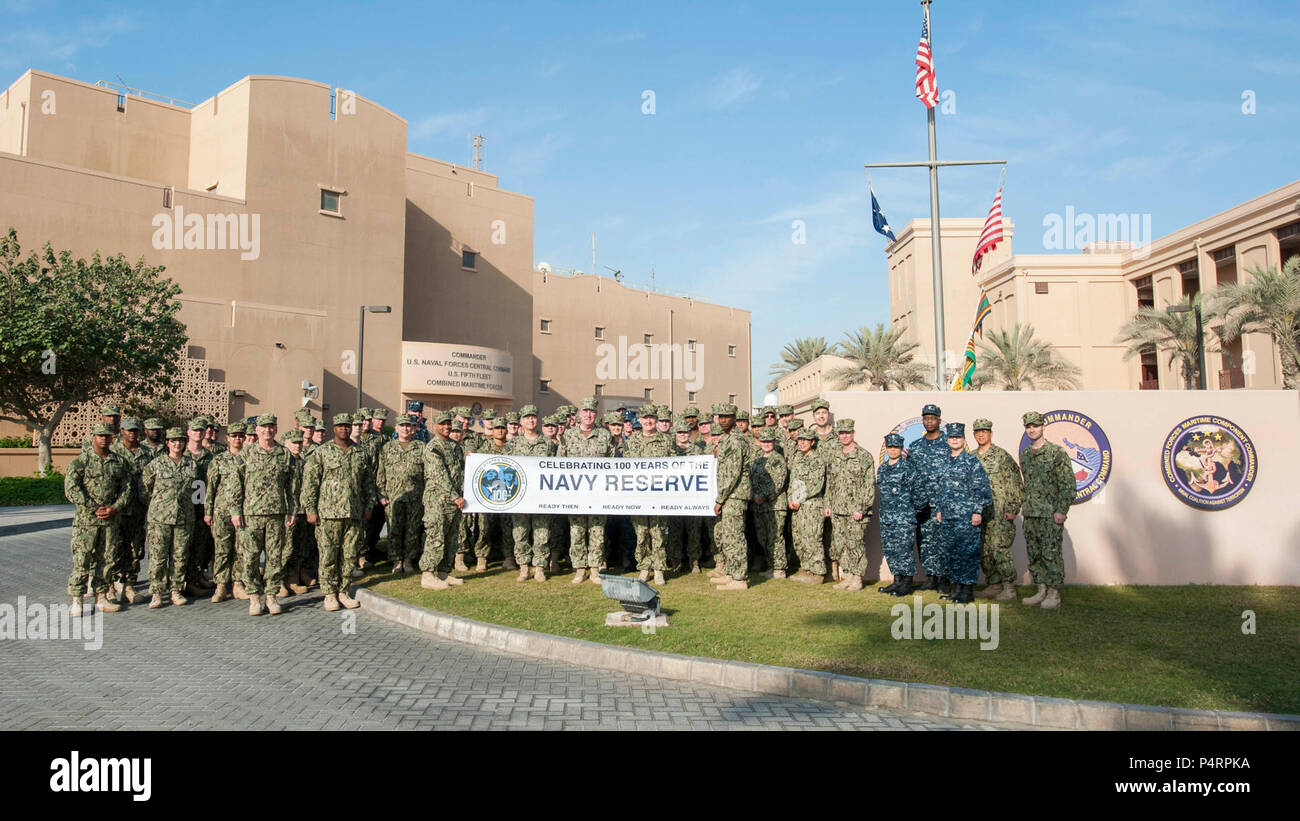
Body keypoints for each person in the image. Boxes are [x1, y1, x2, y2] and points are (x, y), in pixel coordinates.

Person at [301, 413, 372, 611]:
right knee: (328, 555)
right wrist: (310, 509)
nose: (344, 429)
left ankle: (343, 591)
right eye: (340, 426)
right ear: (334, 428)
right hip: (328, 514)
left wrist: (368, 505)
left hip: (353, 512)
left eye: (347, 426)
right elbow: (310, 483)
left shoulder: (361, 452)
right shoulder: (322, 452)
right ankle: (330, 594)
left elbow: (368, 483)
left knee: (349, 555)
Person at [64, 423, 131, 615]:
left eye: (107, 435)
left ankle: (102, 597)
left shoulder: (118, 461)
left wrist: (115, 507)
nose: (104, 438)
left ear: (113, 438)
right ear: (93, 437)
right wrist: (93, 507)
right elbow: (71, 489)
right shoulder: (81, 461)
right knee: (82, 559)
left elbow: (127, 488)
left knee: (107, 559)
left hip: (110, 520)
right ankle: (77, 599)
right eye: (100, 435)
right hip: (87, 521)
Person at [237, 414, 296, 616]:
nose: (267, 431)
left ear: (276, 429)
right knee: (251, 557)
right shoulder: (246, 454)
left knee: (274, 557)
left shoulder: (284, 454)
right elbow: (235, 485)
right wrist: (235, 511)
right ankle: (254, 597)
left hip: (276, 514)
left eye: (271, 427)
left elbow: (291, 486)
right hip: (251, 514)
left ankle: (271, 596)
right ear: (257, 430)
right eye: (263, 427)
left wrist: (292, 509)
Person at [1019, 411, 1075, 610]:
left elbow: (1068, 484)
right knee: (1034, 554)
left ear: (1043, 426)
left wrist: (1061, 510)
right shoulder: (1025, 455)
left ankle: (1054, 593)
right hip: (1031, 513)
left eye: (1035, 425)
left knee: (1051, 553)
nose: (1032, 429)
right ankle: (1041, 589)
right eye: (1028, 426)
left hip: (1050, 514)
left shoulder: (1056, 453)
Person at [932, 423, 992, 604]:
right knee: (952, 553)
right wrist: (939, 509)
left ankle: (967, 590)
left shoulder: (972, 462)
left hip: (966, 517)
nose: (954, 440)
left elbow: (981, 489)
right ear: (947, 440)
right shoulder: (943, 463)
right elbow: (939, 489)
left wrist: (977, 511)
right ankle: (956, 589)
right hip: (949, 517)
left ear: (963, 439)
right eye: (951, 437)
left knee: (968, 554)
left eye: (957, 437)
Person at [140, 427, 198, 609]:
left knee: (180, 556)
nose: (177, 444)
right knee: (158, 556)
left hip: (184, 517)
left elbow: (198, 491)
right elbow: (145, 488)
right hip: (160, 518)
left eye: (181, 441)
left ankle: (176, 590)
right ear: (167, 443)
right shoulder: (157, 464)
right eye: (173, 441)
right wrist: (157, 504)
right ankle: (157, 592)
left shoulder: (191, 464)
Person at [559, 398, 613, 584]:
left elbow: (614, 464)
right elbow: (559, 464)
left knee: (597, 532)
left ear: (596, 414)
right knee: (577, 531)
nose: (588, 415)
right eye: (585, 411)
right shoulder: (569, 436)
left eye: (592, 411)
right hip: (576, 494)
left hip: (598, 495)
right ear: (579, 414)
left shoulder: (604, 435)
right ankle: (580, 569)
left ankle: (595, 569)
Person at [971, 419, 1024, 601]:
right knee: (984, 550)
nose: (981, 434)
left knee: (999, 548)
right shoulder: (971, 457)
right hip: (980, 513)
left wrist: (1013, 507)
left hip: (1000, 511)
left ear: (991, 433)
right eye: (978, 431)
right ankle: (994, 584)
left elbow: (1015, 482)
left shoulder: (1001, 456)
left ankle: (1009, 587)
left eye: (984, 431)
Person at [822, 419, 876, 592]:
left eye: (847, 433)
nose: (844, 436)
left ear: (853, 433)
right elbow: (830, 481)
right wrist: (828, 503)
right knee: (841, 544)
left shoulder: (863, 456)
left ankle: (857, 578)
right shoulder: (835, 454)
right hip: (838, 509)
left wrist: (861, 508)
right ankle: (848, 576)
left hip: (856, 511)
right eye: (841, 433)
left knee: (855, 544)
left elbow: (869, 485)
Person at [626, 404, 671, 585]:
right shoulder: (632, 442)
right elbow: (625, 467)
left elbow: (677, 466)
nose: (649, 421)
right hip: (638, 497)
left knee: (659, 533)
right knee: (641, 533)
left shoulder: (666, 441)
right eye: (645, 418)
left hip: (659, 496)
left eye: (652, 417)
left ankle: (659, 569)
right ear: (641, 420)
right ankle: (644, 567)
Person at [507, 405, 554, 581]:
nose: (531, 420)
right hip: (519, 496)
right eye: (527, 417)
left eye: (533, 417)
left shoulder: (547, 443)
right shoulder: (513, 444)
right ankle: (524, 567)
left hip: (541, 495)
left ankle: (540, 567)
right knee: (520, 531)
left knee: (542, 531)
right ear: (521, 421)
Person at [709, 404, 752, 590]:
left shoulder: (735, 440)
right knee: (728, 536)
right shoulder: (727, 439)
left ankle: (739, 578)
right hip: (729, 496)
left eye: (728, 417)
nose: (724, 420)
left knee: (734, 537)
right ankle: (731, 572)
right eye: (721, 417)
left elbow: (733, 473)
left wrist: (720, 498)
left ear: (735, 418)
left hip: (734, 495)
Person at [907, 404, 949, 592]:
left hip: (943, 503)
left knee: (944, 542)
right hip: (923, 504)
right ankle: (930, 577)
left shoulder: (949, 443)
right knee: (925, 541)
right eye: (926, 418)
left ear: (939, 420)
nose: (929, 421)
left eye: (933, 418)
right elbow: (911, 475)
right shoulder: (915, 447)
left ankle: (945, 579)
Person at [111, 417, 153, 604]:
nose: (132, 433)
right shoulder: (113, 452)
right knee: (115, 548)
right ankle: (111, 584)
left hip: (139, 508)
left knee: (136, 549)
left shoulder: (147, 453)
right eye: (129, 430)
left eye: (135, 430)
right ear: (122, 431)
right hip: (118, 510)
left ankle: (129, 584)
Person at [876, 432, 923, 596]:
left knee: (904, 550)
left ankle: (907, 583)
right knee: (891, 550)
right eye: (890, 447)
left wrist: (909, 511)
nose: (893, 450)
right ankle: (897, 581)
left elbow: (920, 496)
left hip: (904, 519)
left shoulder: (908, 469)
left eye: (896, 447)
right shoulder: (882, 469)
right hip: (887, 518)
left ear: (901, 448)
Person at [205, 420, 247, 603]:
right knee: (222, 549)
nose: (237, 439)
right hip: (222, 510)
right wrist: (208, 511)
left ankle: (238, 583)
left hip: (244, 510)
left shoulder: (249, 458)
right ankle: (221, 585)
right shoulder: (219, 460)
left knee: (241, 548)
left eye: (240, 436)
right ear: (227, 438)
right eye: (234, 436)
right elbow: (211, 488)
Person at [786, 428, 826, 583]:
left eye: (805, 440)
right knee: (800, 539)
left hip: (811, 506)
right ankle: (807, 569)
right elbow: (793, 482)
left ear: (812, 442)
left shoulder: (816, 460)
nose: (802, 443)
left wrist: (798, 499)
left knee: (812, 538)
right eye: (800, 440)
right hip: (798, 507)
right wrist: (790, 498)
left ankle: (817, 573)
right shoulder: (798, 459)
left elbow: (816, 484)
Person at [470, 417, 509, 571]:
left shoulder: (513, 448)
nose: (500, 431)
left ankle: (509, 557)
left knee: (507, 527)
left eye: (502, 428)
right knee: (484, 527)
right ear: (492, 431)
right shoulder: (483, 448)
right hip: (487, 496)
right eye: (497, 428)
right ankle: (481, 557)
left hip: (508, 495)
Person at [750, 427, 790, 579]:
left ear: (774, 441)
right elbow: (751, 479)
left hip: (774, 505)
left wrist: (763, 495)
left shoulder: (777, 459)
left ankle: (779, 568)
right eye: (763, 441)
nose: (766, 444)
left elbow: (778, 482)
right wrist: (754, 495)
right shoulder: (757, 459)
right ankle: (771, 565)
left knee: (775, 536)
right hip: (758, 506)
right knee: (763, 537)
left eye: (769, 441)